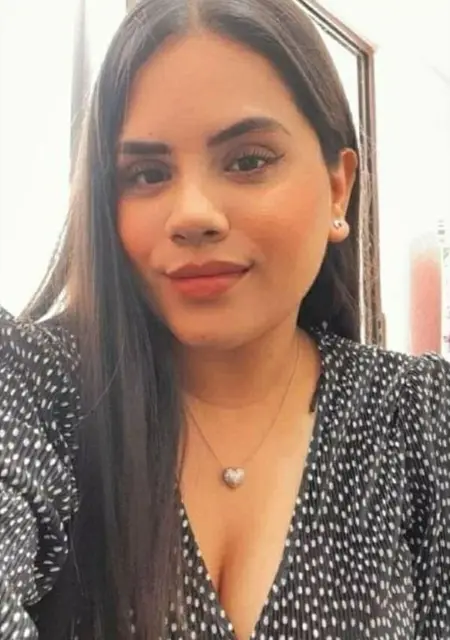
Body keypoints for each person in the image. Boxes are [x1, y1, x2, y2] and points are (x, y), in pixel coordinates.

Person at [0, 0, 449, 638]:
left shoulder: (419, 419)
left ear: (338, 187)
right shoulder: (36, 387)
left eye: (247, 160)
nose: (192, 214)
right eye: (147, 173)